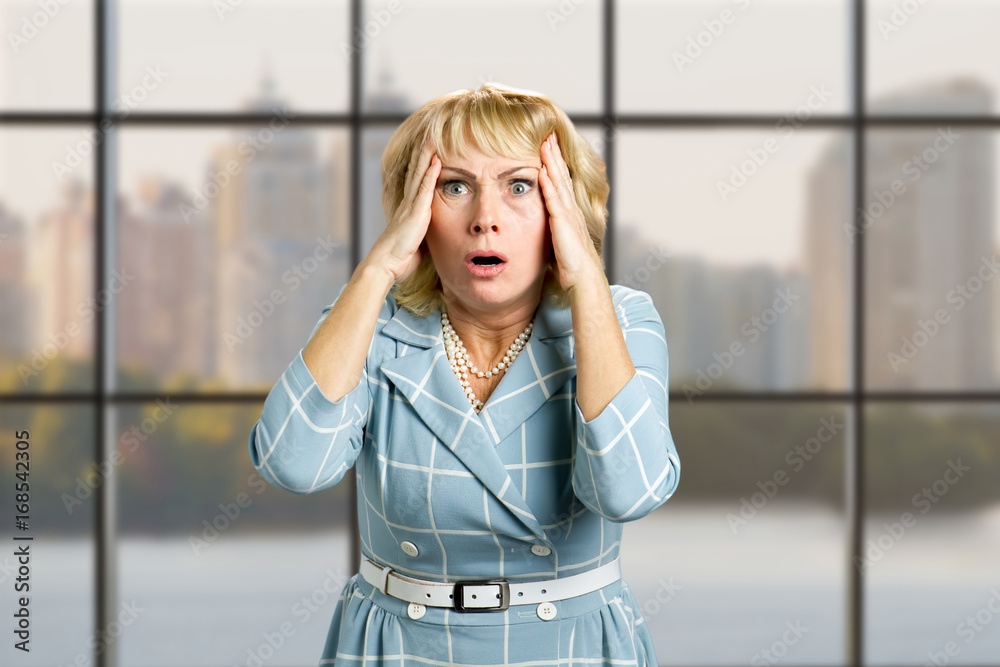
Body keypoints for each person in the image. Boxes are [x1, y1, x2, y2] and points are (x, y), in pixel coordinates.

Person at [248, 83, 681, 665]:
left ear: (566, 209)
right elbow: (293, 465)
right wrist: (378, 268)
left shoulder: (620, 319)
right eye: (455, 186)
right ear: (417, 211)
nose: (485, 220)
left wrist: (587, 287)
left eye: (520, 186)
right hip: (397, 646)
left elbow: (631, 492)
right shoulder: (370, 321)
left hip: (572, 647)